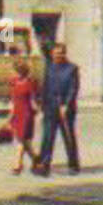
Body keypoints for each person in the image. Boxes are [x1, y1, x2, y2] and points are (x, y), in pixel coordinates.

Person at [34, 43, 80, 176]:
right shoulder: (49, 68)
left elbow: (73, 88)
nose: (58, 56)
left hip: (65, 107)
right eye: (55, 53)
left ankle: (73, 164)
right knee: (48, 136)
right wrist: (41, 104)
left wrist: (66, 104)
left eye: (60, 53)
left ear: (64, 54)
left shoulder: (72, 69)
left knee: (68, 136)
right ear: (52, 54)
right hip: (50, 106)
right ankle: (44, 164)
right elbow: (45, 86)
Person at [7, 58, 40, 174]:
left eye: (14, 71)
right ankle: (36, 158)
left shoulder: (30, 83)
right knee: (25, 141)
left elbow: (33, 100)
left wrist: (38, 113)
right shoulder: (13, 82)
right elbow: (13, 100)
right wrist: (10, 115)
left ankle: (18, 164)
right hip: (17, 113)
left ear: (20, 71)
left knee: (21, 140)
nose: (13, 73)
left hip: (27, 114)